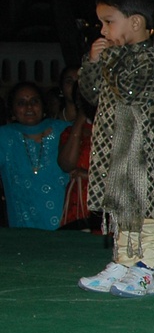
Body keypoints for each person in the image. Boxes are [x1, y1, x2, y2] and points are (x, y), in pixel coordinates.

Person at [76, 0, 154, 296]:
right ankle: (123, 263)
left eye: (108, 22)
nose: (103, 32)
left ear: (135, 23)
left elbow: (130, 92)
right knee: (123, 214)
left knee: (145, 217)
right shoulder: (110, 60)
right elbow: (89, 94)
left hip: (144, 156)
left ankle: (147, 269)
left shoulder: (147, 61)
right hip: (117, 154)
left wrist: (109, 64)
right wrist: (92, 63)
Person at [0, 81, 71, 229]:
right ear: (12, 110)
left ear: (43, 107)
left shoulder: (65, 131)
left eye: (34, 101)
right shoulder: (4, 137)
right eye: (21, 103)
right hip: (24, 229)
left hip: (66, 225)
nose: (29, 107)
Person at [56, 66, 98, 230]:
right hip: (78, 202)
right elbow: (66, 164)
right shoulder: (70, 131)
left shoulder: (114, 132)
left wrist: (88, 175)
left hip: (104, 201)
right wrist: (80, 120)